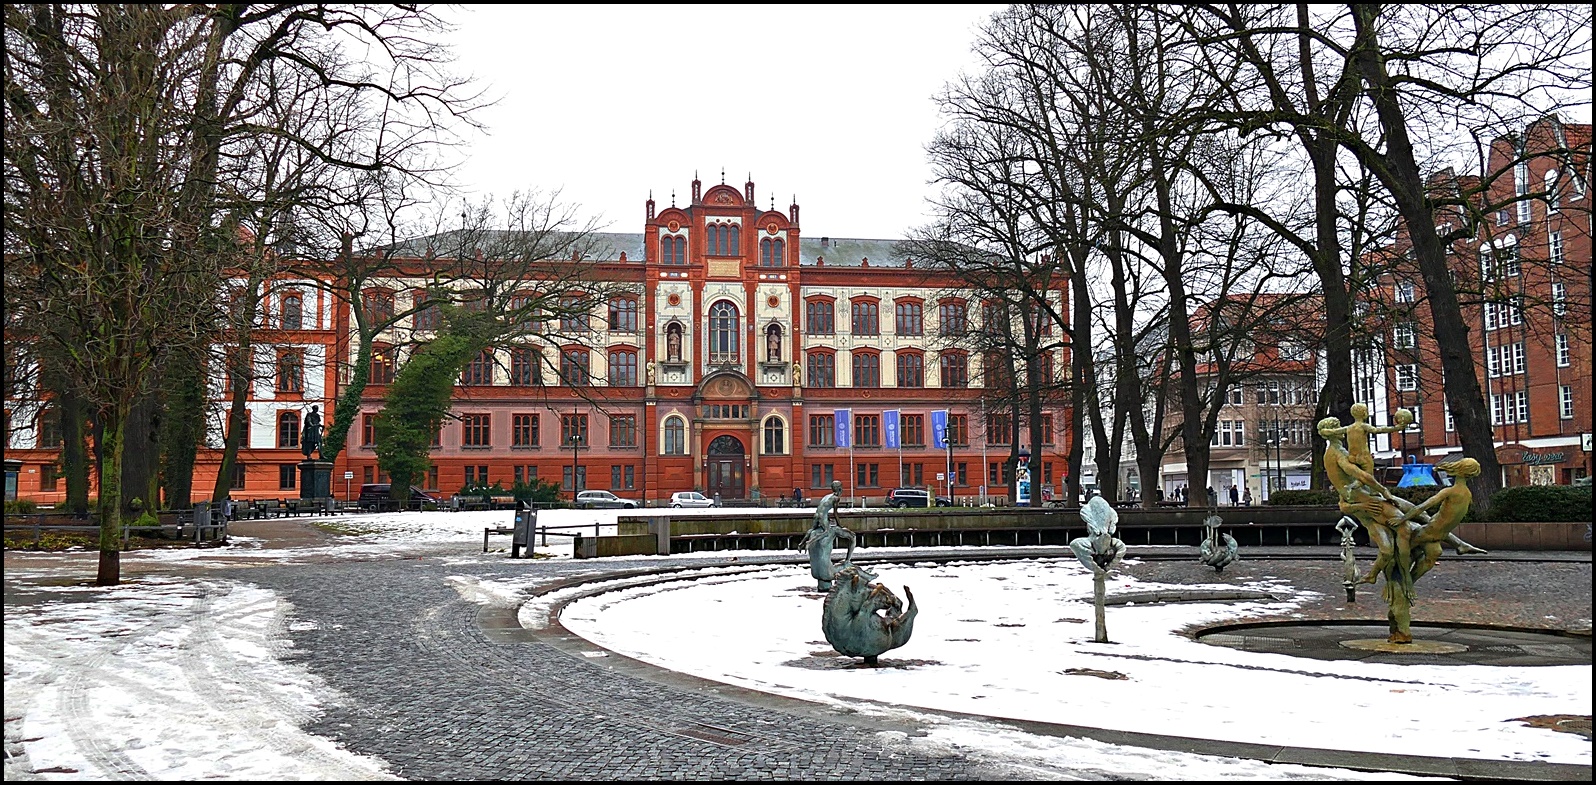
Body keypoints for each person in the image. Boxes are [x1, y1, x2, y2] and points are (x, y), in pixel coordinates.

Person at [801, 480, 856, 590]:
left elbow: (822, 508)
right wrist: (840, 525)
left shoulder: (827, 496)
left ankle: (802, 542)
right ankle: (848, 560)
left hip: (816, 516)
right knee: (826, 532)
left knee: (812, 530)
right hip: (823, 517)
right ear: (840, 489)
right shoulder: (836, 498)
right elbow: (835, 513)